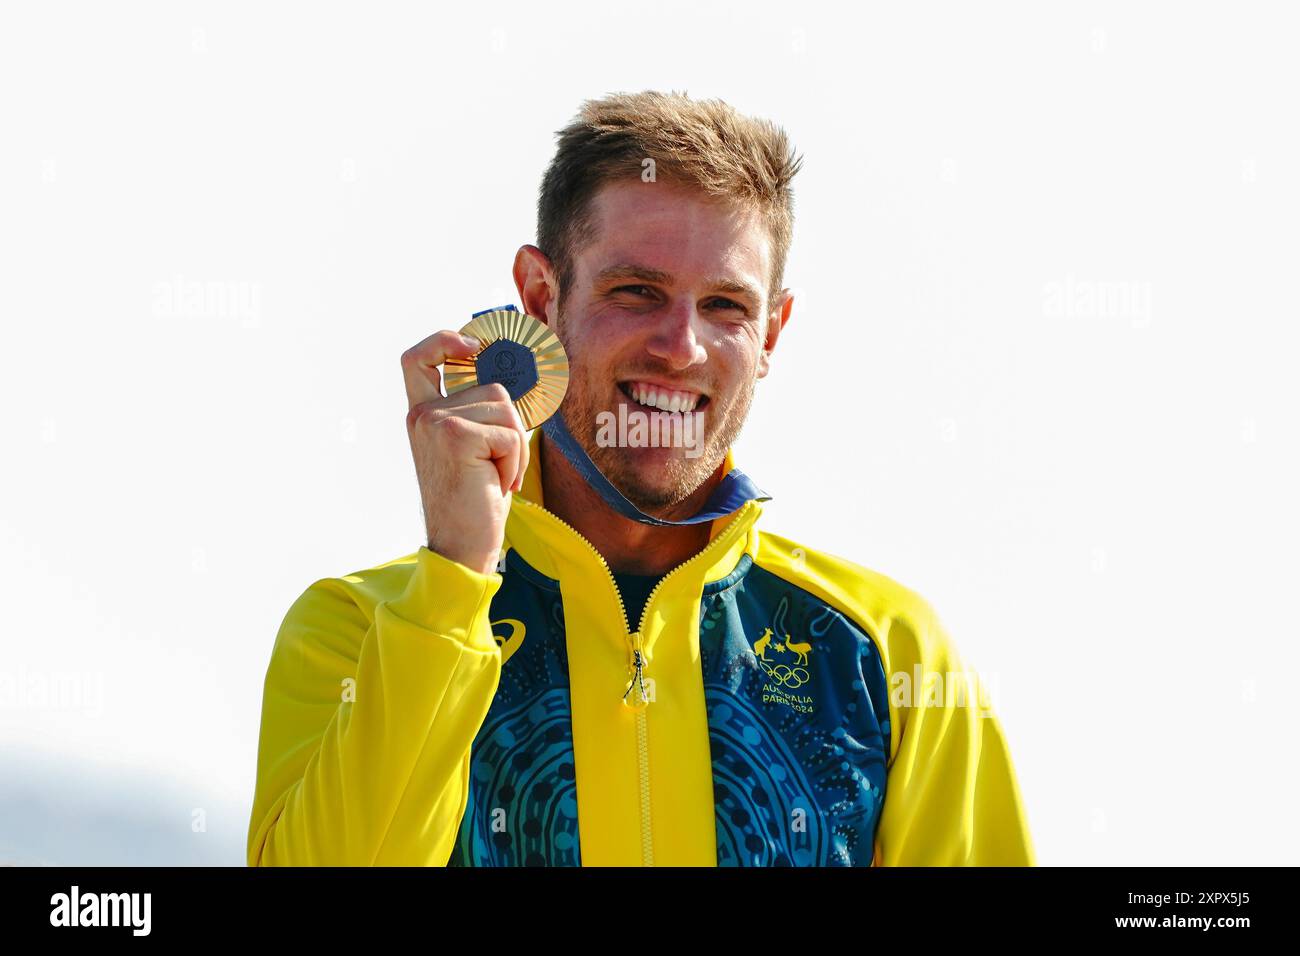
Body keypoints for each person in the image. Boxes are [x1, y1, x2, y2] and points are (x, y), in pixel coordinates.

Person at [246, 90, 1034, 866]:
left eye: (725, 305)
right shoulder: (354, 634)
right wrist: (452, 584)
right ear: (539, 298)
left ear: (771, 333)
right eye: (637, 292)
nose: (680, 347)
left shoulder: (892, 657)